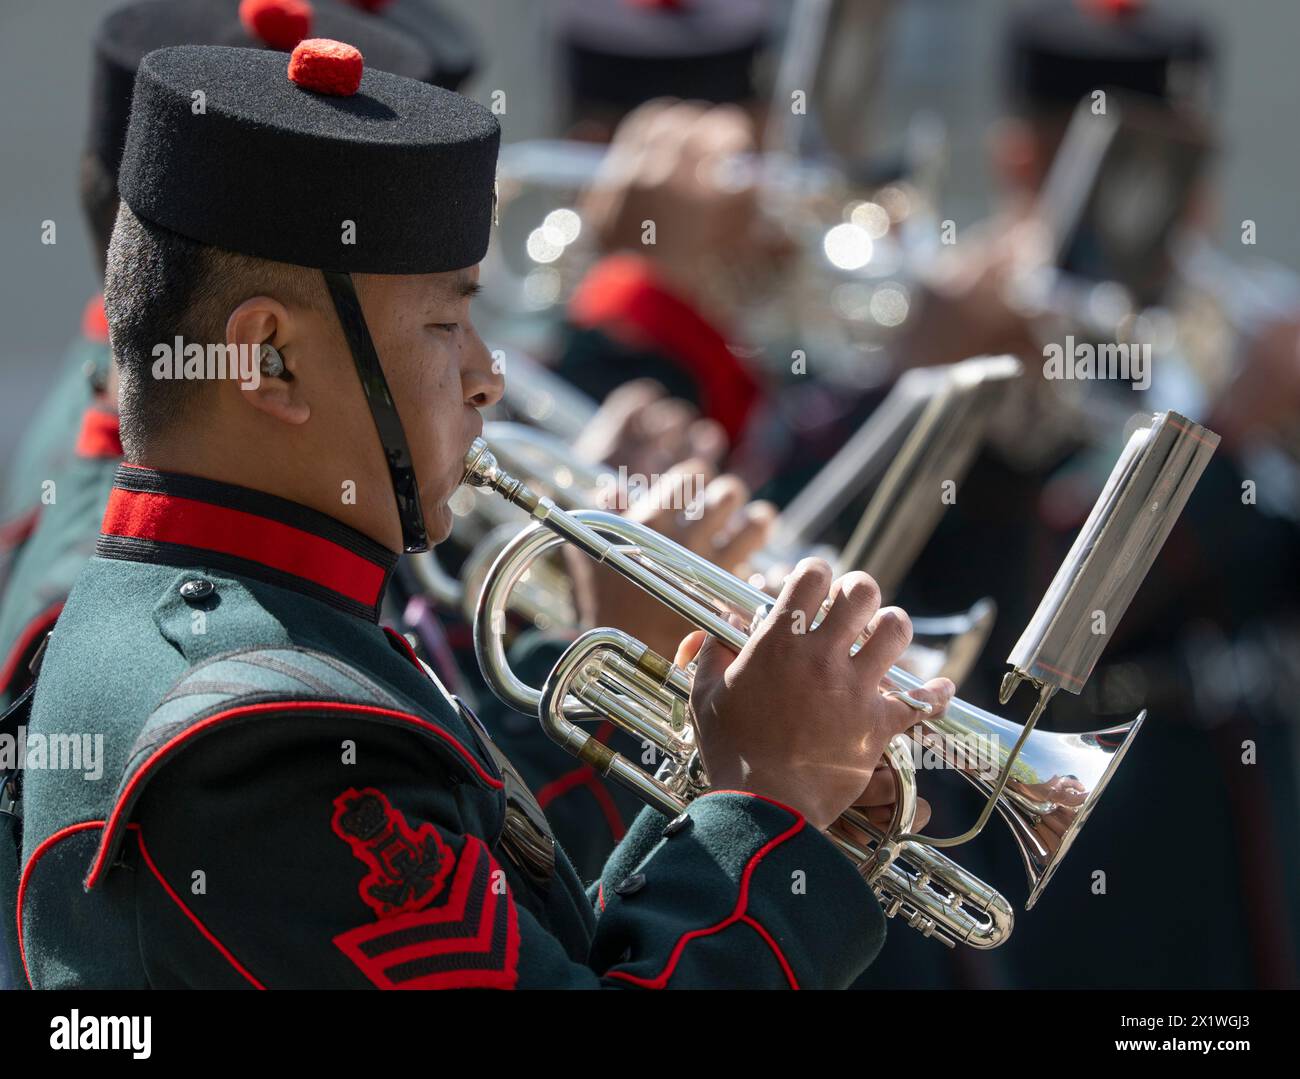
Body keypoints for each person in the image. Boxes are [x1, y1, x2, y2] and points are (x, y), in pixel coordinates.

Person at [2, 36, 952, 989]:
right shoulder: (263, 744)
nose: (490, 376)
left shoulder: (242, 630)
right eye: (446, 326)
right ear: (266, 359)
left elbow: (543, 952)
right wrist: (768, 804)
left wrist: (739, 792)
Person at [889, 0, 1300, 988]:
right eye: (1142, 174)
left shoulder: (1228, 321)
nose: (1181, 209)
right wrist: (1233, 433)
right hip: (1071, 825)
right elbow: (1045, 604)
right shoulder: (968, 324)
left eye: (1185, 171)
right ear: (1024, 161)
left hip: (1244, 803)